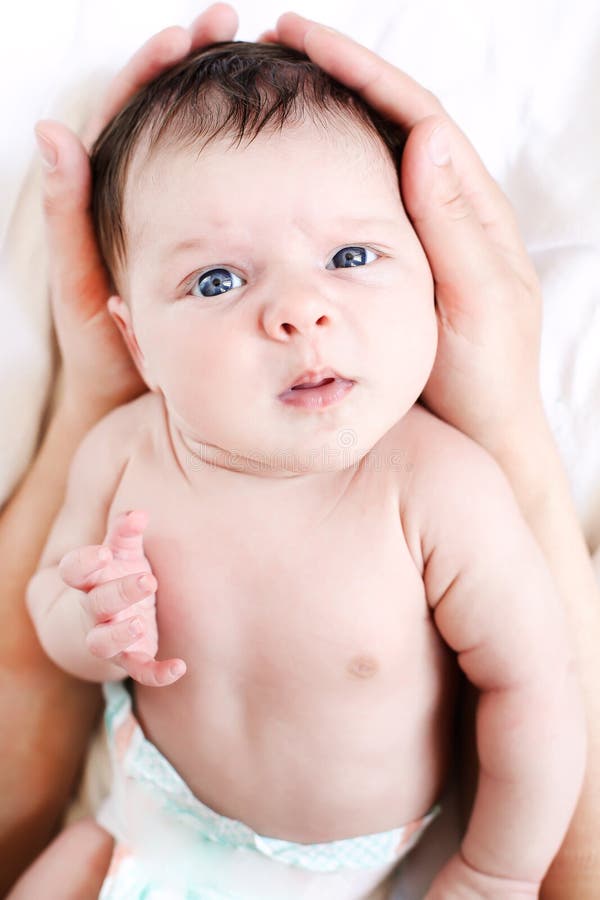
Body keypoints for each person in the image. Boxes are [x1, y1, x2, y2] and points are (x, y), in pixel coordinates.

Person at [3, 6, 600, 899]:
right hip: (140, 811)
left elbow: (539, 689)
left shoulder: (436, 490)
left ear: (434, 273)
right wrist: (88, 625)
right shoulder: (122, 451)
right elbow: (51, 599)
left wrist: (495, 871)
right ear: (135, 342)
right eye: (217, 280)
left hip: (336, 871)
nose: (299, 311)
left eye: (351, 255)